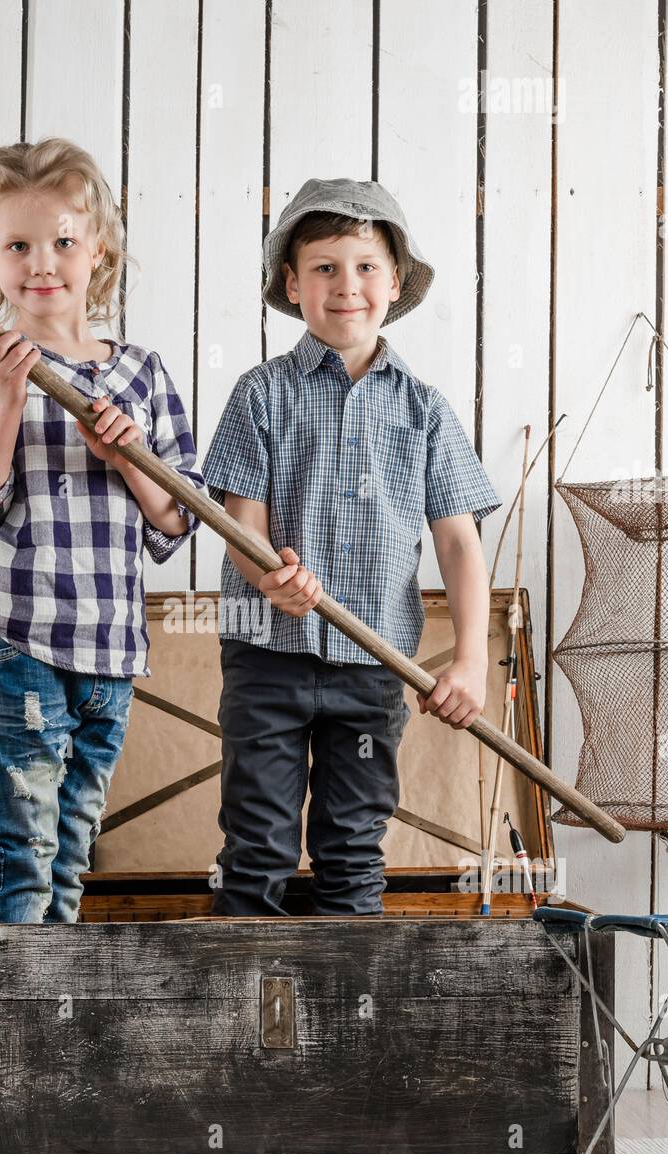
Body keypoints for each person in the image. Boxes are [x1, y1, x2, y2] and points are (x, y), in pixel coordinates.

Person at [202, 177, 501, 917]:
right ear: (292, 284)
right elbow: (243, 523)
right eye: (325, 267)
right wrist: (270, 576)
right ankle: (243, 1017)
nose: (347, 286)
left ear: (394, 282)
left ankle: (349, 1021)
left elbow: (459, 543)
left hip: (374, 666)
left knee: (352, 847)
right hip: (267, 655)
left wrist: (468, 658)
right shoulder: (260, 393)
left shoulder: (424, 409)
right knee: (258, 842)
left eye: (366, 266)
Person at [0, 137, 203, 923]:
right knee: (21, 865)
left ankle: (40, 1037)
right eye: (17, 246)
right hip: (13, 641)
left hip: (111, 653)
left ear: (99, 252)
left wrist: (126, 456)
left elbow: (175, 516)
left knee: (69, 868)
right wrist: (10, 397)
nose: (41, 262)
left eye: (62, 241)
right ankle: (2, 1043)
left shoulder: (142, 374)